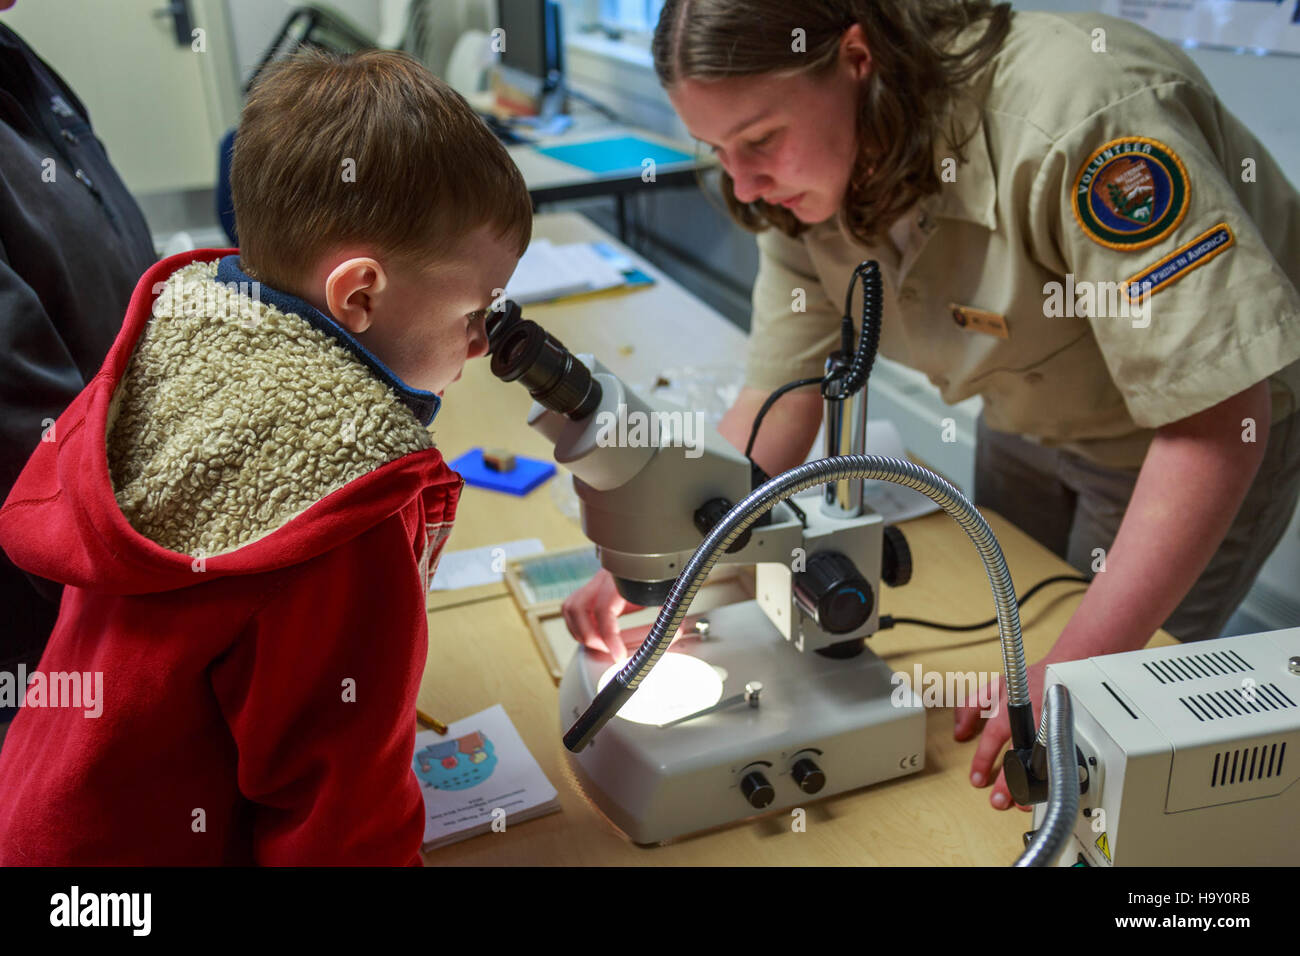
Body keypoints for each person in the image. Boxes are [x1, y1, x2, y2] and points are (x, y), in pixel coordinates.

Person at [562, 0, 1300, 813]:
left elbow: (1212, 425)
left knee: (1091, 734)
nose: (742, 182)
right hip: (1026, 407)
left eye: (761, 141)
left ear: (854, 58)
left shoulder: (1085, 118)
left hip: (1193, 442)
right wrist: (670, 552)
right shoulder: (790, 169)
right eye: (716, 150)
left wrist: (1081, 667)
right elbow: (782, 396)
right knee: (1007, 649)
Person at [0, 49, 529, 864]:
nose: (483, 342)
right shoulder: (341, 502)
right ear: (359, 296)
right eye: (475, 309)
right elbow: (340, 816)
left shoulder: (186, 349)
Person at [0, 8, 158, 727]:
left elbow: (111, 244)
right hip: (59, 619)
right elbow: (20, 416)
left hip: (135, 533)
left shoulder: (13, 53)